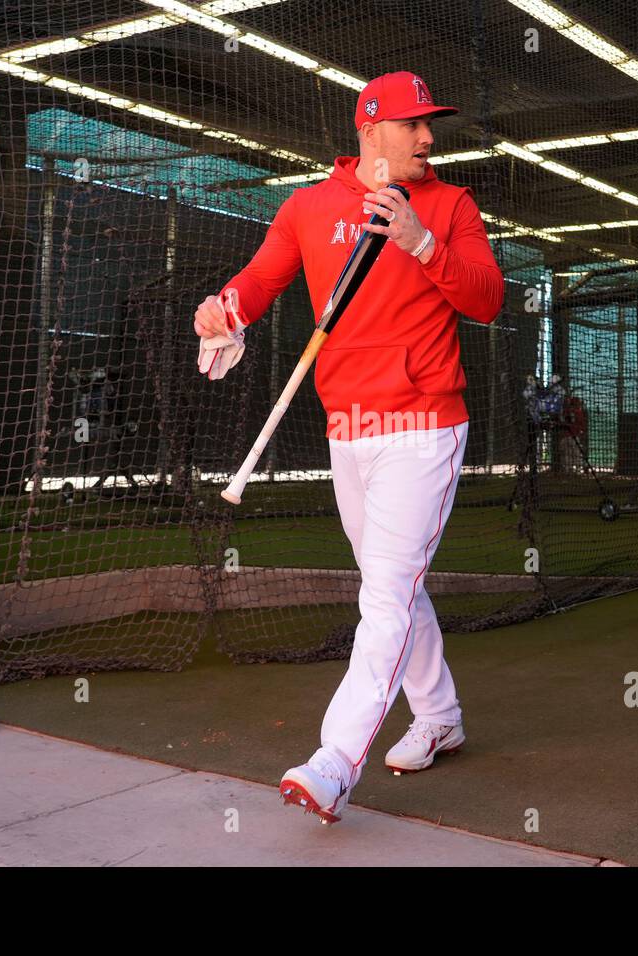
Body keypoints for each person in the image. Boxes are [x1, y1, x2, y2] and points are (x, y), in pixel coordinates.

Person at [193, 71, 504, 823]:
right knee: (396, 585)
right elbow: (259, 282)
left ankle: (334, 760)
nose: (430, 138)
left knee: (386, 592)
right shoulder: (308, 206)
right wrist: (220, 312)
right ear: (371, 130)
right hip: (348, 429)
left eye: (433, 125)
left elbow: (487, 298)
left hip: (425, 424)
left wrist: (422, 242)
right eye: (414, 125)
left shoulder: (450, 205)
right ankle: (440, 716)